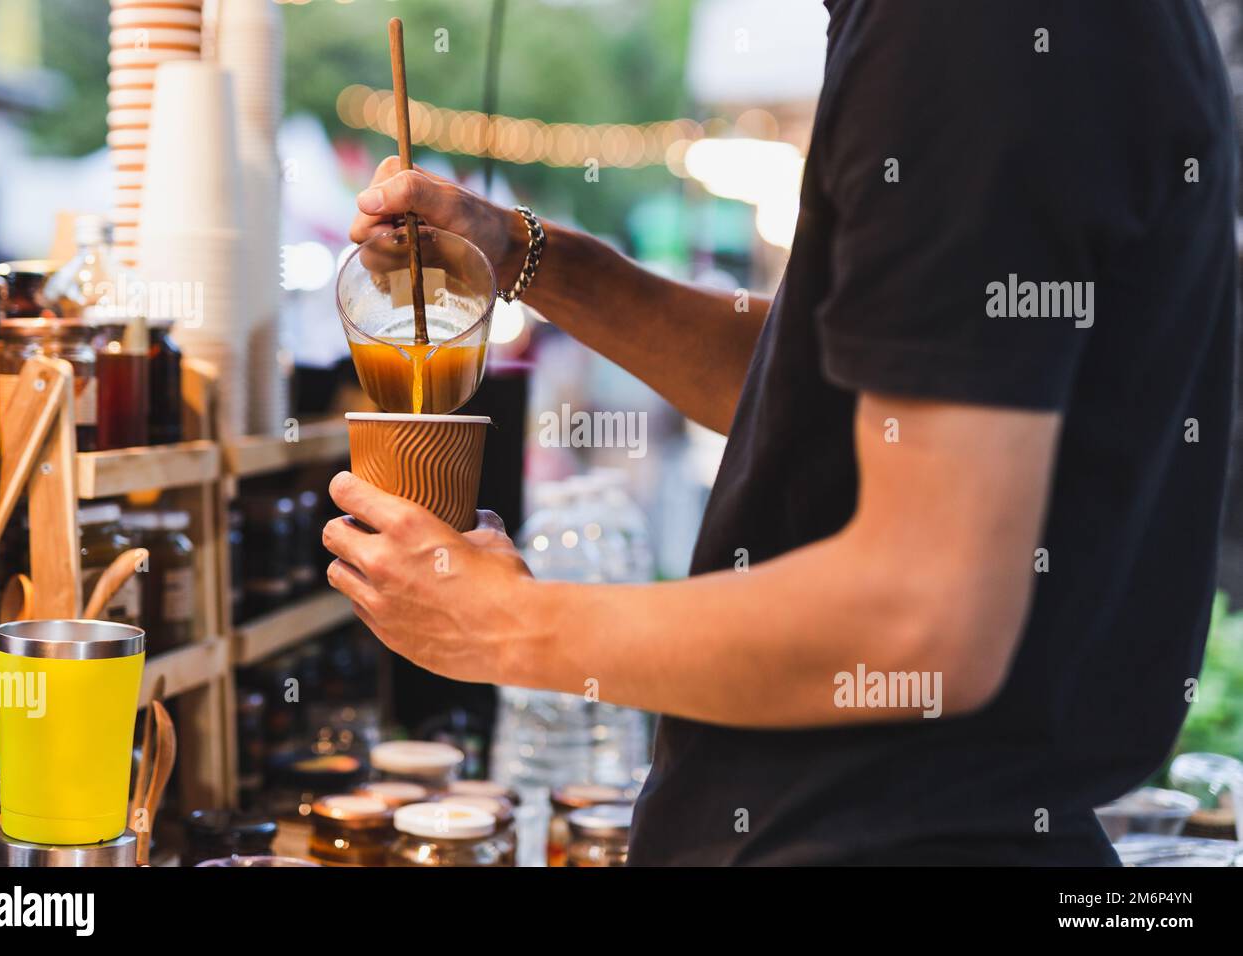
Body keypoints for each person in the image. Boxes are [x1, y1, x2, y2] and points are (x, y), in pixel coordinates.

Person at [325, 0, 1237, 865]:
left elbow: (920, 617)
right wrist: (528, 259)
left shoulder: (965, 31)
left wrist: (507, 626)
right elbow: (825, 403)